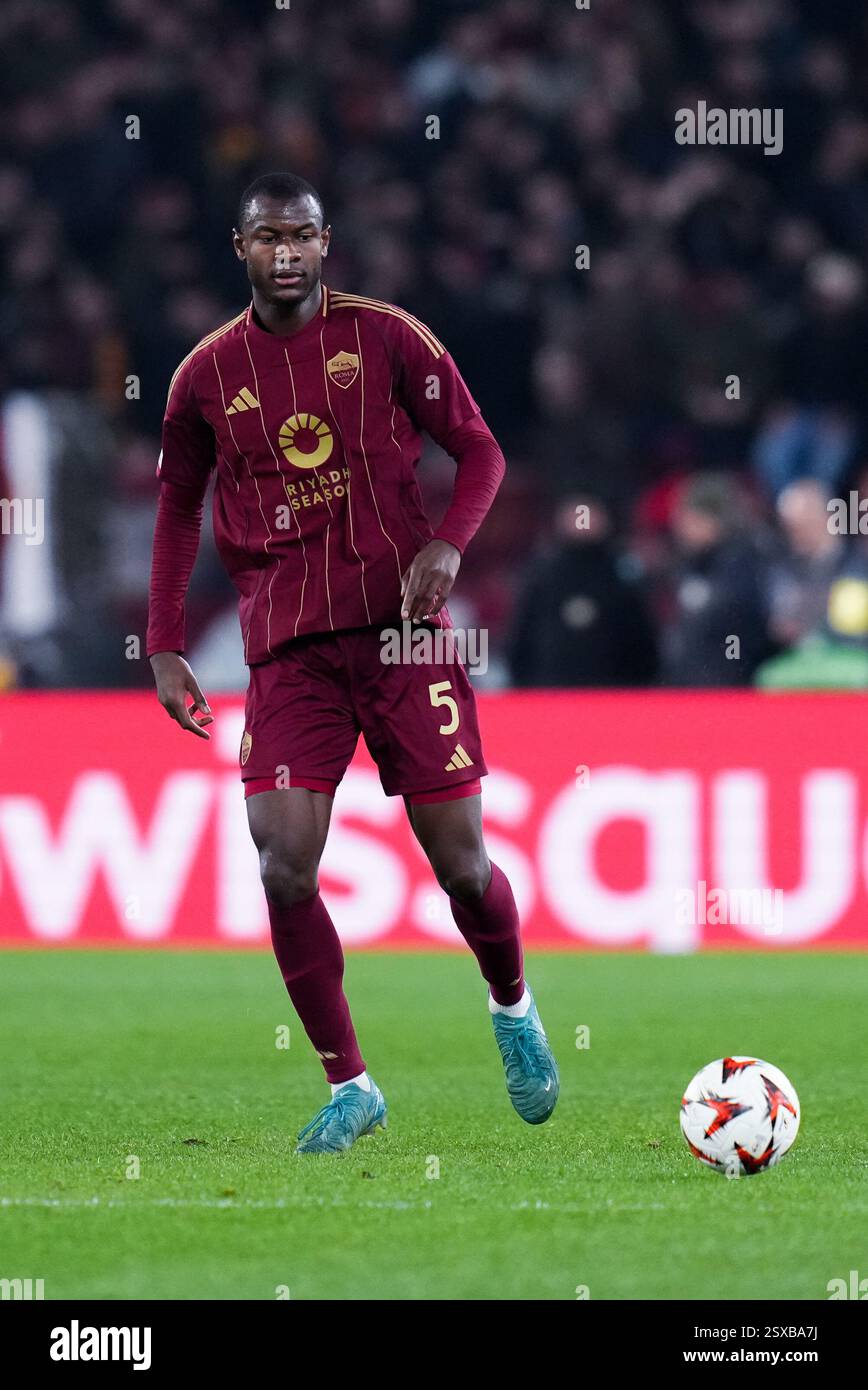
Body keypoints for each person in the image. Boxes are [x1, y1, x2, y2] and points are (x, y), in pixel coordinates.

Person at [146, 172, 558, 1154]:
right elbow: (174, 509)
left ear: (326, 243)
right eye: (265, 236)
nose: (284, 250)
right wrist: (164, 643)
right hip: (287, 650)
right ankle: (352, 1085)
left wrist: (448, 545)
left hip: (401, 632)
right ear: (237, 248)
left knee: (460, 867)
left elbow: (480, 450)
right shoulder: (204, 376)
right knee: (284, 865)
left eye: (301, 234)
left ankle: (512, 1006)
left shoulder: (386, 337)